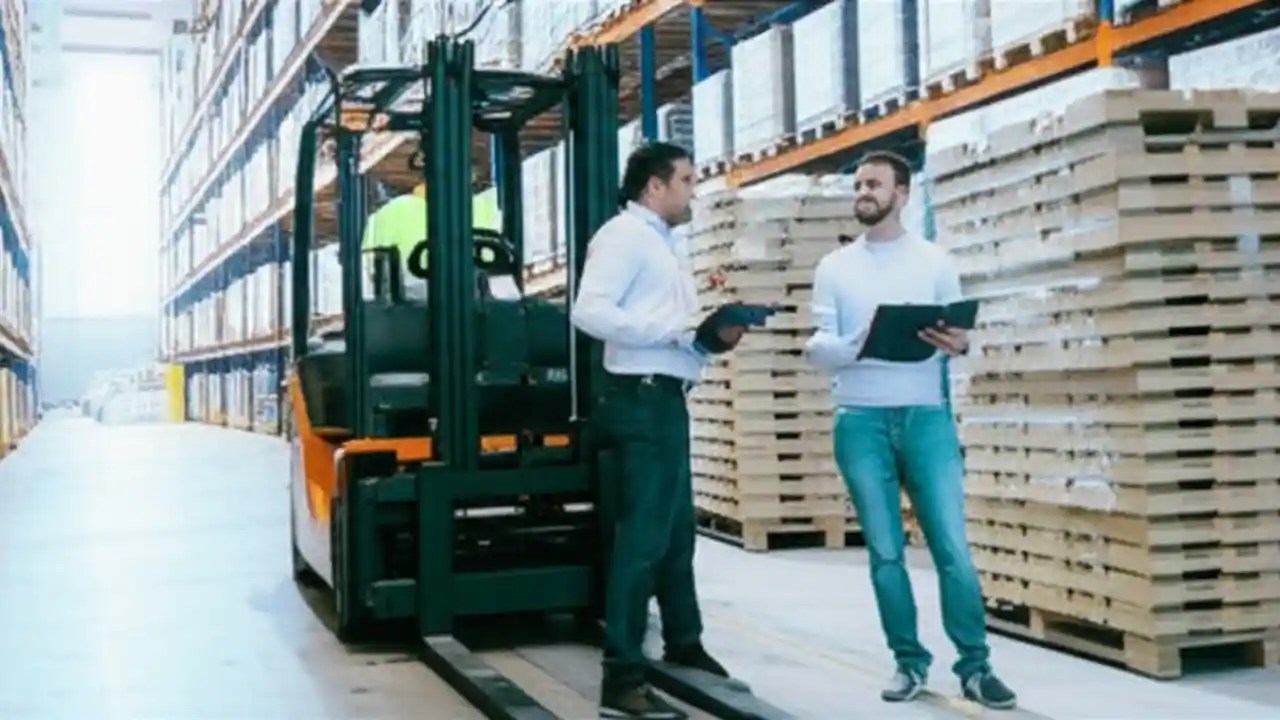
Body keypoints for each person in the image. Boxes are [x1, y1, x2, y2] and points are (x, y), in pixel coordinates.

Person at [804, 150, 1017, 710]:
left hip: (926, 417)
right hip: (859, 421)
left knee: (953, 547)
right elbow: (818, 345)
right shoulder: (835, 267)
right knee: (885, 552)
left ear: (902, 193)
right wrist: (854, 345)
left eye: (874, 184)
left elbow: (960, 334)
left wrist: (962, 345)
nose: (864, 193)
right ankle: (909, 663)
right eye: (859, 185)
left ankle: (976, 666)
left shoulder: (935, 261)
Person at [571, 141, 744, 720]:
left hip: (664, 399)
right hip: (639, 403)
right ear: (655, 187)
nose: (694, 189)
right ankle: (621, 677)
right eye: (688, 180)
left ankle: (684, 643)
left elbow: (666, 330)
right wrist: (667, 334)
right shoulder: (624, 238)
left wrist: (706, 338)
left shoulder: (660, 244)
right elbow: (588, 310)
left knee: (675, 534)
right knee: (642, 542)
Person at [361, 183, 502, 299]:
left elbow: (370, 274)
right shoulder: (486, 206)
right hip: (474, 292)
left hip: (414, 298)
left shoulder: (386, 214)